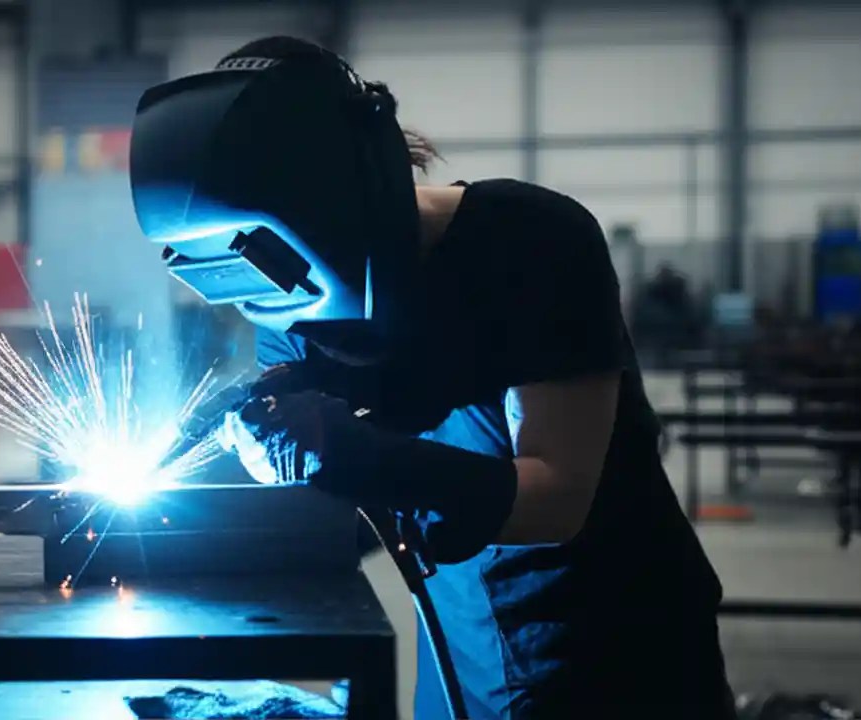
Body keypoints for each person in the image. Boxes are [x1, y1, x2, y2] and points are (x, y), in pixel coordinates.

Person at [129, 36, 735, 720]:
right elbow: (324, 485)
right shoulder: (284, 291)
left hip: (614, 652)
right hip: (461, 643)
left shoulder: (532, 243)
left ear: (345, 186)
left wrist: (356, 458)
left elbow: (560, 500)